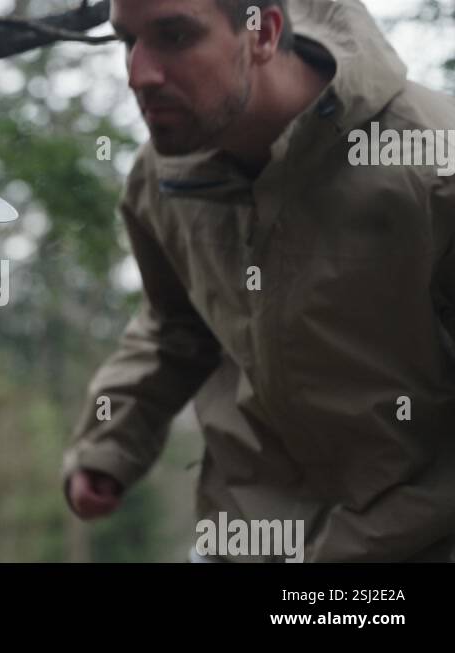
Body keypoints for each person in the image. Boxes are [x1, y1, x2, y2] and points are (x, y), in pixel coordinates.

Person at [61, 0, 455, 562]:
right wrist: (111, 441)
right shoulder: (164, 177)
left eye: (174, 36)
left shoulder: (433, 166)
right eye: (128, 41)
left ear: (263, 33)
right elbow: (176, 322)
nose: (139, 74)